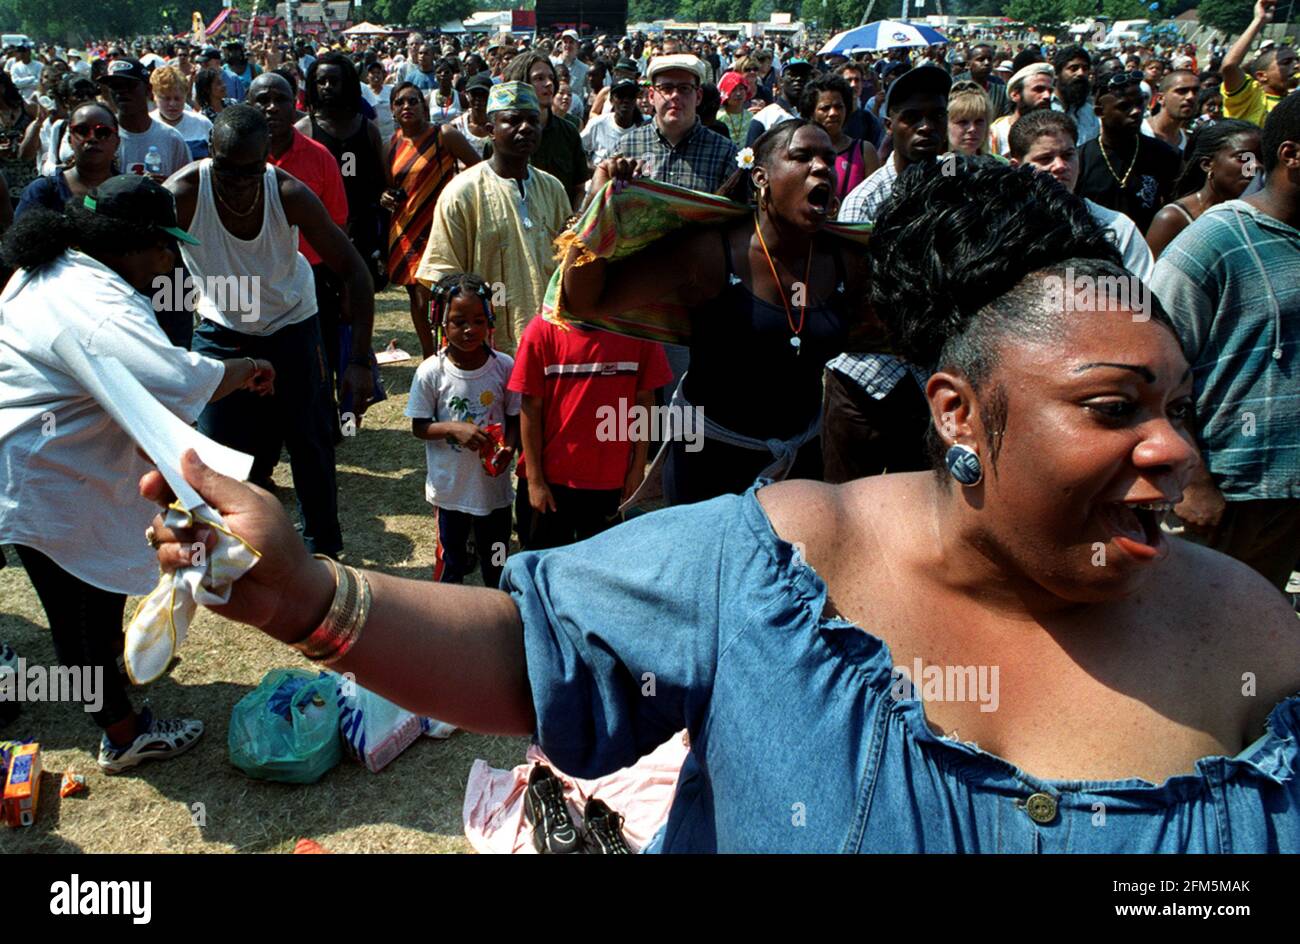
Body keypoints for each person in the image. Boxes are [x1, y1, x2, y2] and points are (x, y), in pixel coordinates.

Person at [141, 158, 1300, 853]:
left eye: (1177, 408)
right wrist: (306, 597)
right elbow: (533, 651)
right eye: (1112, 407)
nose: (1169, 449)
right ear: (956, 411)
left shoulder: (1252, 637)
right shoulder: (787, 560)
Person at [0, 175, 275, 772]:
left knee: (67, 612)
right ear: (126, 243)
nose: (168, 260)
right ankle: (124, 735)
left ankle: (101, 704)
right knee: (88, 614)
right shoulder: (97, 302)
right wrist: (248, 365)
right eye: (162, 247)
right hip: (52, 484)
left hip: (32, 472)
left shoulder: (53, 268)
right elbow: (173, 379)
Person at [567, 119, 872, 503]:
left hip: (800, 468)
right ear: (761, 176)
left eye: (829, 158)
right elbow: (584, 300)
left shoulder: (848, 262)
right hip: (706, 465)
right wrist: (598, 204)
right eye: (801, 156)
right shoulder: (710, 254)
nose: (821, 166)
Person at [166, 105, 375, 558]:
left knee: (311, 442)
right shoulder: (182, 193)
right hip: (223, 327)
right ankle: (224, 550)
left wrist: (359, 360)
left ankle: (323, 551)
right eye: (226, 169)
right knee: (214, 450)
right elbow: (146, 268)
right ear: (210, 154)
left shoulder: (288, 193)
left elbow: (355, 272)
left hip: (291, 323)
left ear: (267, 160)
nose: (238, 182)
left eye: (250, 171)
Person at [1150, 95, 1300, 592]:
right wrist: (1194, 483)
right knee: (1187, 636)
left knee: (1259, 634)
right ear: (1291, 155)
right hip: (1224, 497)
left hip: (1288, 495)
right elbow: (1157, 368)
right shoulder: (1212, 242)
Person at [825, 66, 950, 484]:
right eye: (913, 118)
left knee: (915, 505)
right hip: (865, 379)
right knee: (848, 506)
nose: (926, 128)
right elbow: (856, 299)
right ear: (890, 124)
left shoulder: (958, 190)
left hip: (926, 379)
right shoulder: (866, 203)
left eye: (937, 116)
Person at [509, 281, 672, 548]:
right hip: (551, 482)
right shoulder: (541, 331)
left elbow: (645, 401)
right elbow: (530, 409)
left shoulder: (638, 333)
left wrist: (637, 468)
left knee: (599, 569)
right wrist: (535, 480)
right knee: (541, 567)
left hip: (610, 482)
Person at [416, 82, 569, 355]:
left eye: (533, 121)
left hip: (549, 341)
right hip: (487, 351)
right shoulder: (462, 192)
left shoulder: (553, 189)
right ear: (491, 131)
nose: (525, 128)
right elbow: (441, 276)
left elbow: (567, 263)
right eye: (512, 120)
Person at [407, 273, 519, 587]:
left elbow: (514, 418)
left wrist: (509, 447)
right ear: (441, 321)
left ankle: (499, 610)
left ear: (490, 320)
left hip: (494, 492)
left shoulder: (503, 366)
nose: (470, 329)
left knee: (496, 558)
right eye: (458, 321)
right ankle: (450, 622)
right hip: (450, 491)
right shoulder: (431, 371)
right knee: (451, 560)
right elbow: (419, 426)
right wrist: (453, 429)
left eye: (478, 320)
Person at [383, 82, 480, 359]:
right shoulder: (389, 146)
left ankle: (451, 352)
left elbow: (479, 170)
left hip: (440, 228)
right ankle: (430, 357)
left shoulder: (444, 135)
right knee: (415, 297)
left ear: (424, 106)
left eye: (413, 101)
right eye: (400, 102)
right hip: (405, 230)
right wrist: (385, 197)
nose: (406, 107)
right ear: (392, 109)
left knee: (439, 295)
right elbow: (387, 186)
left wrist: (458, 198)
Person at [296, 52, 386, 351]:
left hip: (359, 231)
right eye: (320, 81)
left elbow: (381, 182)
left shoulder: (367, 129)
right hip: (318, 236)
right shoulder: (304, 131)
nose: (326, 87)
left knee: (356, 308)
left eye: (334, 81)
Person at [1008, 110, 1154, 281]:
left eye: (1068, 155)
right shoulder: (1002, 230)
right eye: (1046, 159)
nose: (1060, 166)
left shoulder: (1118, 229)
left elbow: (1143, 299)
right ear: (1016, 167)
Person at [593, 55, 737, 199]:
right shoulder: (626, 147)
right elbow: (598, 210)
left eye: (684, 88)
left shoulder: (724, 153)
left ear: (698, 96)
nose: (675, 95)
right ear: (651, 96)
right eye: (666, 88)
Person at [1077, 71, 1181, 234]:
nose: (1136, 111)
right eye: (1124, 106)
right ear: (1100, 112)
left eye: (1139, 103)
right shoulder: (1080, 160)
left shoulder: (1165, 155)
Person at [1145, 120, 1261, 258]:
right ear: (1207, 164)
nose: (1255, 165)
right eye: (1244, 158)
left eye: (1261, 158)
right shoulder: (1173, 219)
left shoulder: (1256, 215)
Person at [490, 52, 587, 209]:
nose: (549, 83)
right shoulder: (501, 136)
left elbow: (579, 189)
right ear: (521, 82)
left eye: (551, 78)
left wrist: (572, 222)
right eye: (539, 78)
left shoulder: (569, 133)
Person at [16, 102, 118, 217]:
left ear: (117, 142)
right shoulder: (42, 191)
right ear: (70, 141)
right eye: (82, 131)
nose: (92, 138)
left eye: (103, 132)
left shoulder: (132, 192)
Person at [96, 58, 190, 179]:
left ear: (148, 90)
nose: (122, 91)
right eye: (115, 86)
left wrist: (166, 188)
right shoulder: (102, 137)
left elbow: (188, 189)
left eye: (129, 85)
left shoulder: (171, 138)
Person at [801, 74, 880, 206]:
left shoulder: (864, 151)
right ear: (811, 112)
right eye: (825, 108)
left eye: (839, 107)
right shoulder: (801, 152)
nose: (833, 113)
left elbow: (875, 201)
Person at [1221, 0, 1297, 127]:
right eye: (1286, 62)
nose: (1296, 66)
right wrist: (1259, 20)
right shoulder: (1251, 96)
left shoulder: (1294, 101)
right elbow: (1229, 66)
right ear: (1262, 76)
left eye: (1297, 61)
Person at [988, 63, 1054, 157]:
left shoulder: (1055, 130)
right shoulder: (996, 133)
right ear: (1015, 95)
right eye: (1039, 89)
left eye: (1050, 91)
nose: (1047, 96)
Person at [745, 57, 813, 147]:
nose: (798, 79)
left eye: (804, 75)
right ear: (780, 81)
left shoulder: (815, 115)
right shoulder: (764, 118)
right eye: (792, 75)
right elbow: (750, 156)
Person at [150, 65, 213, 160]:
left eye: (177, 98)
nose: (172, 104)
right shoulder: (148, 125)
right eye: (166, 98)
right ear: (155, 97)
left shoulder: (202, 123)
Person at [580, 76, 644, 167]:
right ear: (611, 100)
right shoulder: (598, 124)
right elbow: (577, 150)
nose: (626, 100)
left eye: (631, 96)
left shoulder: (644, 128)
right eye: (620, 96)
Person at [1050, 44, 1098, 146]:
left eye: (1085, 68)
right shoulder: (1045, 106)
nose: (1081, 73)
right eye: (1073, 68)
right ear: (1057, 73)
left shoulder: (1089, 112)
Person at [1142, 70, 1200, 153]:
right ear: (1161, 98)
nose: (1191, 97)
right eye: (1182, 91)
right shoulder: (1139, 131)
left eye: (1195, 91)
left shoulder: (1188, 145)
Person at [954, 43, 1010, 119]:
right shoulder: (956, 83)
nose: (987, 63)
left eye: (990, 59)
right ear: (969, 63)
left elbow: (1006, 116)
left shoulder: (1000, 86)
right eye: (981, 59)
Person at [947, 80, 995, 157]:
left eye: (979, 121)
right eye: (963, 122)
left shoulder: (1000, 165)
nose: (972, 129)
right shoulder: (934, 166)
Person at [451, 72, 493, 158]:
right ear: (467, 95)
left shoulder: (498, 124)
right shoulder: (457, 126)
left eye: (484, 94)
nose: (479, 98)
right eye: (475, 93)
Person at [361, 61, 395, 142]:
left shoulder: (391, 90)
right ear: (367, 77)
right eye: (372, 73)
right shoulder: (363, 91)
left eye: (378, 73)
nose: (376, 75)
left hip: (390, 134)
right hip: (371, 135)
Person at [428, 57, 463, 126]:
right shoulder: (428, 98)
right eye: (439, 72)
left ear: (452, 75)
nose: (443, 74)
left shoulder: (460, 97)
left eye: (447, 72)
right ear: (435, 76)